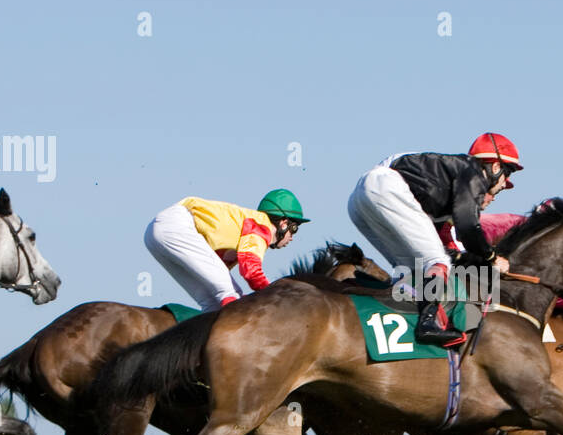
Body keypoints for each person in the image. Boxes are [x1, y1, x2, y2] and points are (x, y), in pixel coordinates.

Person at [348, 133, 521, 347]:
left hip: (359, 200)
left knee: (415, 269)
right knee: (436, 262)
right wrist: (492, 257)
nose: (506, 183)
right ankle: (427, 325)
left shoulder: (449, 183)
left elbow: (446, 245)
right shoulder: (474, 172)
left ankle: (371, 293)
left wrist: (469, 259)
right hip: (385, 187)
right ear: (495, 167)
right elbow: (468, 227)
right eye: (509, 172)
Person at [144, 189, 307, 311]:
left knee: (212, 302)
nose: (292, 237)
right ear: (284, 223)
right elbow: (251, 271)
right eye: (294, 229)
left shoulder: (241, 235)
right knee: (231, 292)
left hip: (153, 235)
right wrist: (276, 294)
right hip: (177, 225)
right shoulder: (261, 226)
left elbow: (214, 268)